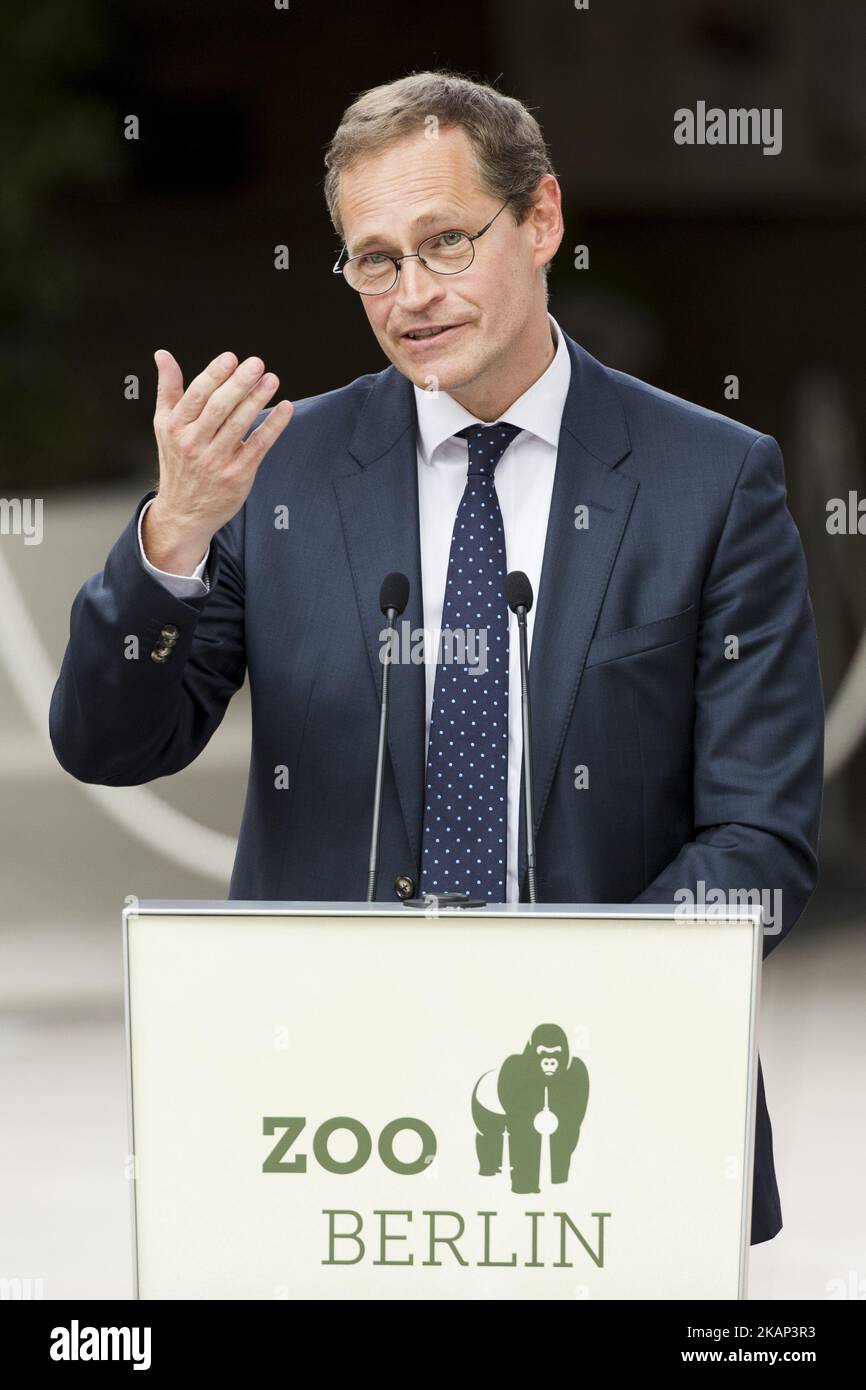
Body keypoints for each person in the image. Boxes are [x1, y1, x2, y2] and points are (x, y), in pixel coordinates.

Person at [49, 71, 824, 1245]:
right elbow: (110, 744)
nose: (411, 294)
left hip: (606, 1107)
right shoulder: (277, 477)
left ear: (541, 220)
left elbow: (758, 839)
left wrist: (574, 999)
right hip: (318, 1130)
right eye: (373, 260)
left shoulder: (709, 480)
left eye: (445, 242)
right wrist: (174, 536)